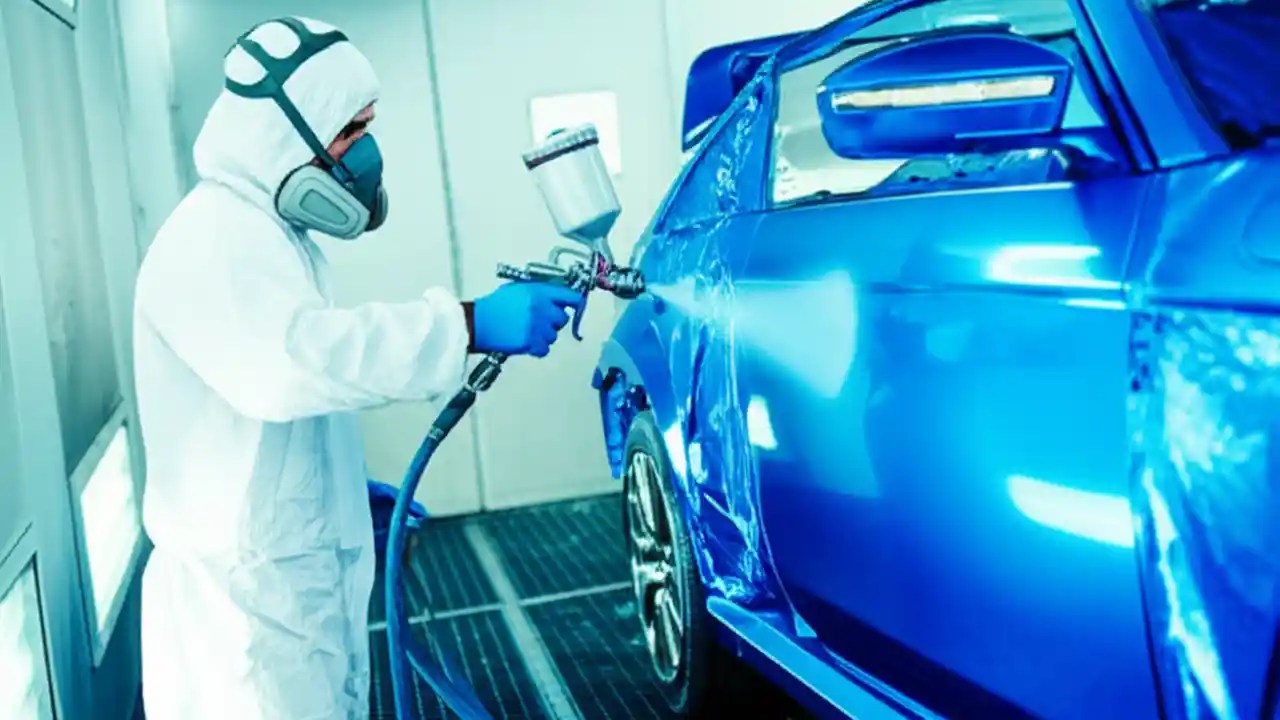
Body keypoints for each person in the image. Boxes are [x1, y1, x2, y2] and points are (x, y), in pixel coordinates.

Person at [132, 16, 579, 719]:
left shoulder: (272, 236)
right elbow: (292, 364)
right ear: (287, 136)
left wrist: (336, 488)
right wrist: (468, 322)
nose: (363, 155)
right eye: (349, 132)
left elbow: (277, 402)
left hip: (286, 588)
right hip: (243, 627)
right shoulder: (212, 238)